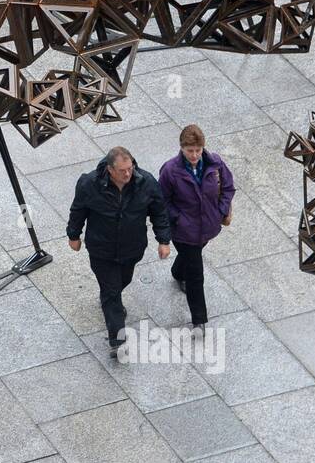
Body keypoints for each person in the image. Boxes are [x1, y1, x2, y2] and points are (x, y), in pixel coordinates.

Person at [67, 146, 172, 357]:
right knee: (111, 292)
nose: (127, 174)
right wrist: (74, 235)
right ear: (110, 169)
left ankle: (111, 299)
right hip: (101, 250)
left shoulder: (146, 183)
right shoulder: (89, 184)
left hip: (131, 248)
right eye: (122, 170)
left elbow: (159, 212)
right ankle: (117, 339)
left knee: (122, 281)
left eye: (130, 168)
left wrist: (163, 240)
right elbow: (78, 210)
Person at [157, 124, 235, 330]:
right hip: (183, 232)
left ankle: (177, 272)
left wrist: (221, 210)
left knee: (191, 258)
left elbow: (228, 187)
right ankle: (199, 320)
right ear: (182, 148)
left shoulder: (215, 164)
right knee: (196, 274)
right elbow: (161, 200)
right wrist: (179, 218)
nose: (194, 155)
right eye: (190, 150)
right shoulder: (170, 170)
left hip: (207, 227)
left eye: (198, 150)